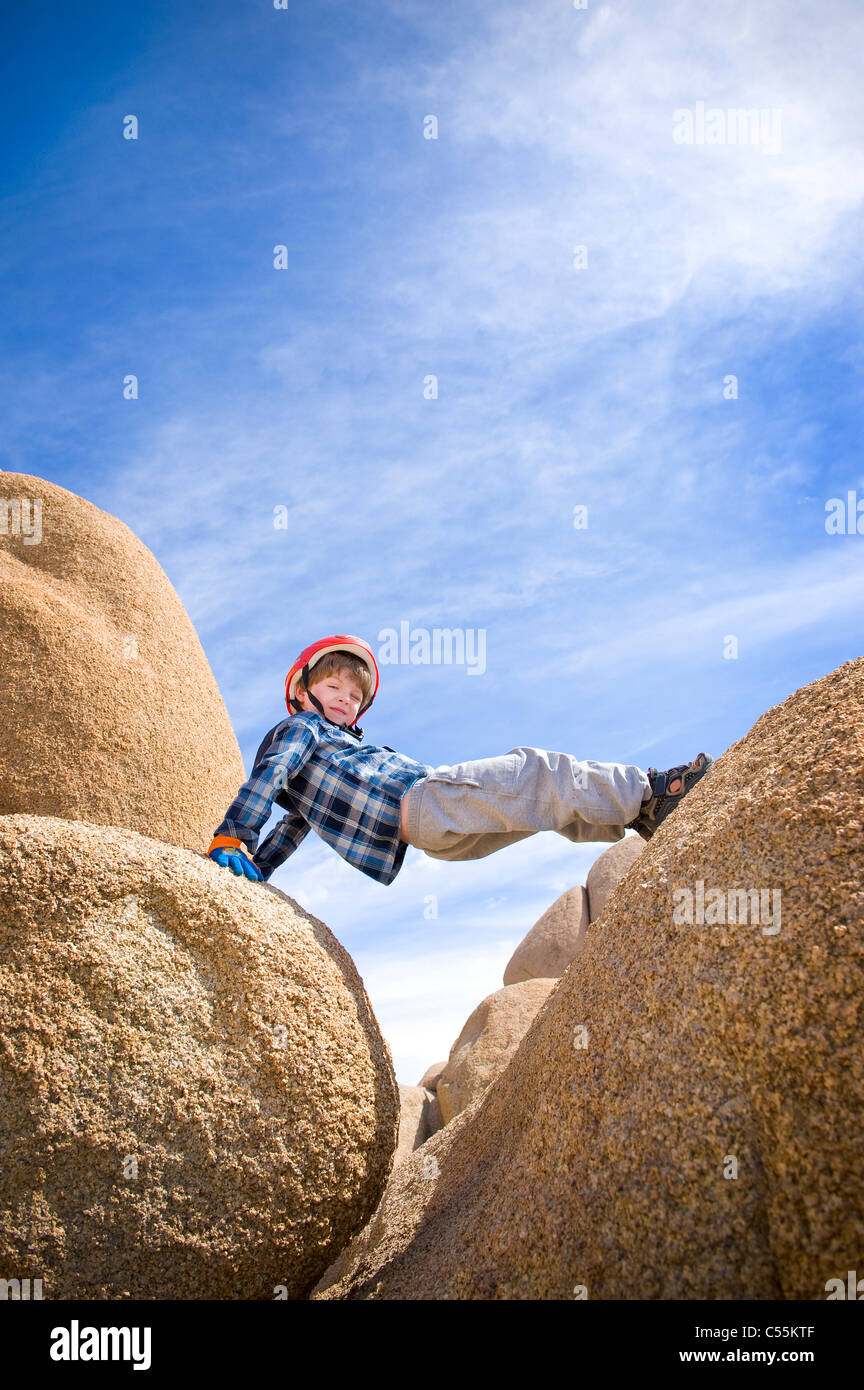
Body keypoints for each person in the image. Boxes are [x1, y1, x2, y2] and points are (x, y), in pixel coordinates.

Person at [207, 634, 713, 885]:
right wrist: (235, 838)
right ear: (302, 689)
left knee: (540, 808)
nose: (345, 698)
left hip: (431, 836)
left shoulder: (334, 754)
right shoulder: (301, 728)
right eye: (332, 685)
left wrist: (257, 873)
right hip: (423, 803)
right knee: (534, 771)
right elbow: (268, 776)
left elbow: (295, 826)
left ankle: (636, 816)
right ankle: (653, 792)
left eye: (355, 695)